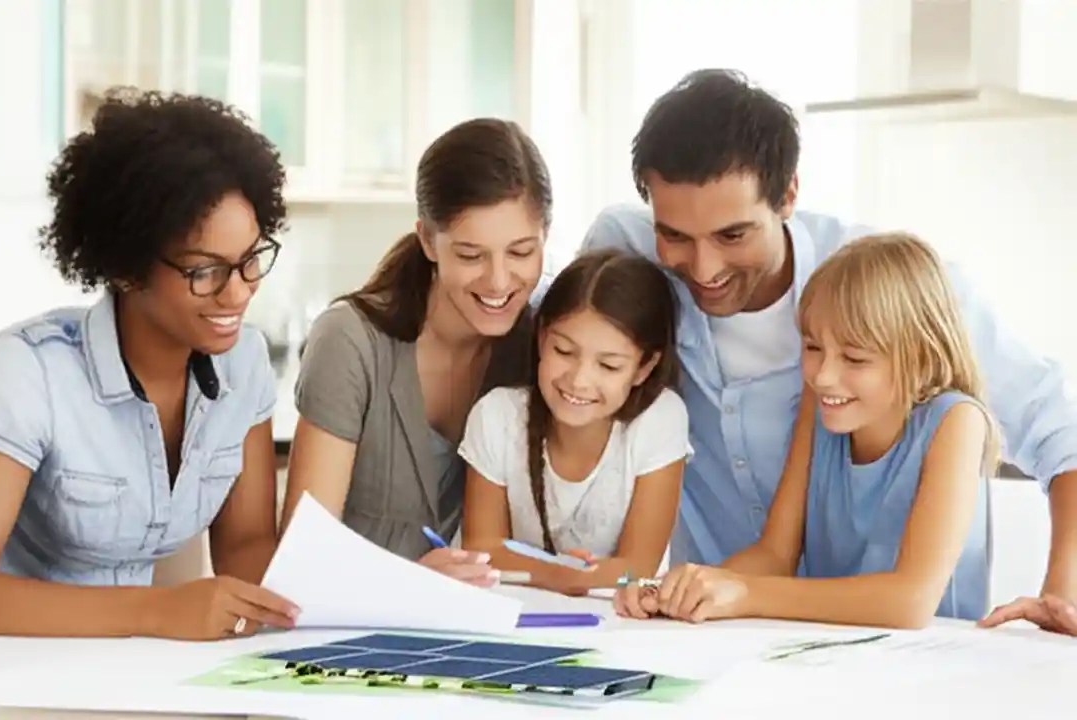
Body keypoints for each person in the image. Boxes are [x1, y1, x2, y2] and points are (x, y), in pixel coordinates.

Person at [581, 68, 1077, 610]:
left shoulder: (887, 291)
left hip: (866, 640)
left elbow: (1059, 431)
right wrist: (666, 590)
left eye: (733, 235)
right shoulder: (625, 254)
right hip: (726, 627)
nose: (703, 268)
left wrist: (1063, 596)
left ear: (788, 193)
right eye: (674, 235)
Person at [0, 89, 300, 640]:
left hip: (98, 667)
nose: (238, 293)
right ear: (127, 267)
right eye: (206, 271)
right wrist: (157, 611)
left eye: (250, 261)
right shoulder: (28, 371)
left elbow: (245, 546)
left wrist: (349, 603)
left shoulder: (243, 364)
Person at [615, 233, 996, 628]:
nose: (825, 376)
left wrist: (745, 593)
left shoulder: (957, 421)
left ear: (920, 355)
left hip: (932, 663)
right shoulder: (821, 404)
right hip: (825, 651)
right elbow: (774, 554)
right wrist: (682, 589)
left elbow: (909, 602)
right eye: (813, 348)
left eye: (854, 357)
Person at [282, 118, 551, 584]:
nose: (500, 281)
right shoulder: (350, 342)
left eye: (522, 252)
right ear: (428, 239)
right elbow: (302, 558)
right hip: (339, 630)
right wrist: (412, 580)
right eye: (471, 255)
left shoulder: (541, 343)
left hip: (448, 625)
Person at [460, 249, 689, 596]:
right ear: (541, 339)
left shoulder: (660, 419)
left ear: (644, 367)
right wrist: (558, 574)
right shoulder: (496, 416)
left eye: (609, 366)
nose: (579, 380)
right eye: (564, 352)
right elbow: (482, 550)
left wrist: (574, 577)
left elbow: (639, 567)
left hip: (619, 624)